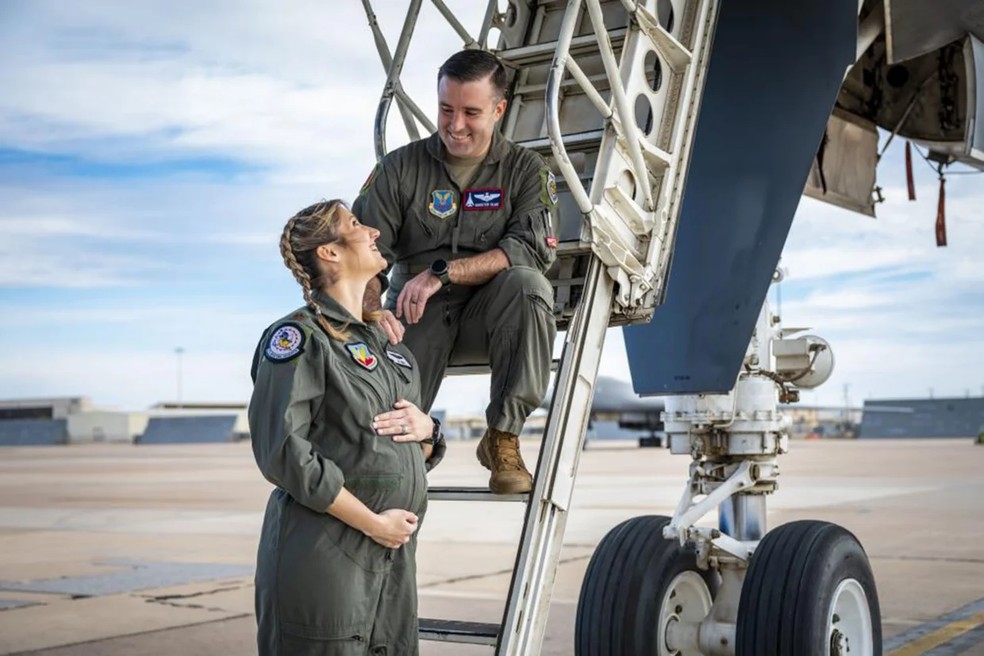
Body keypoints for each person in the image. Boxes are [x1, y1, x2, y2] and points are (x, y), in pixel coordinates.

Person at [354, 49, 559, 495]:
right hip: (414, 314)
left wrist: (441, 274)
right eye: (447, 109)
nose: (455, 124)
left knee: (529, 285)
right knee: (386, 446)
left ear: (499, 109)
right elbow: (365, 250)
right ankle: (400, 474)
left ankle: (502, 438)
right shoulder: (400, 168)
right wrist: (371, 311)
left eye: (471, 112)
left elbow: (529, 249)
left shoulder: (526, 171)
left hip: (489, 315)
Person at [249, 199, 446, 656]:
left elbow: (384, 449)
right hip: (328, 551)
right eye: (356, 225)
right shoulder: (299, 337)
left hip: (393, 557)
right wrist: (375, 524)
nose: (373, 231)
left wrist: (429, 432)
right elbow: (282, 453)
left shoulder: (390, 348)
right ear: (330, 253)